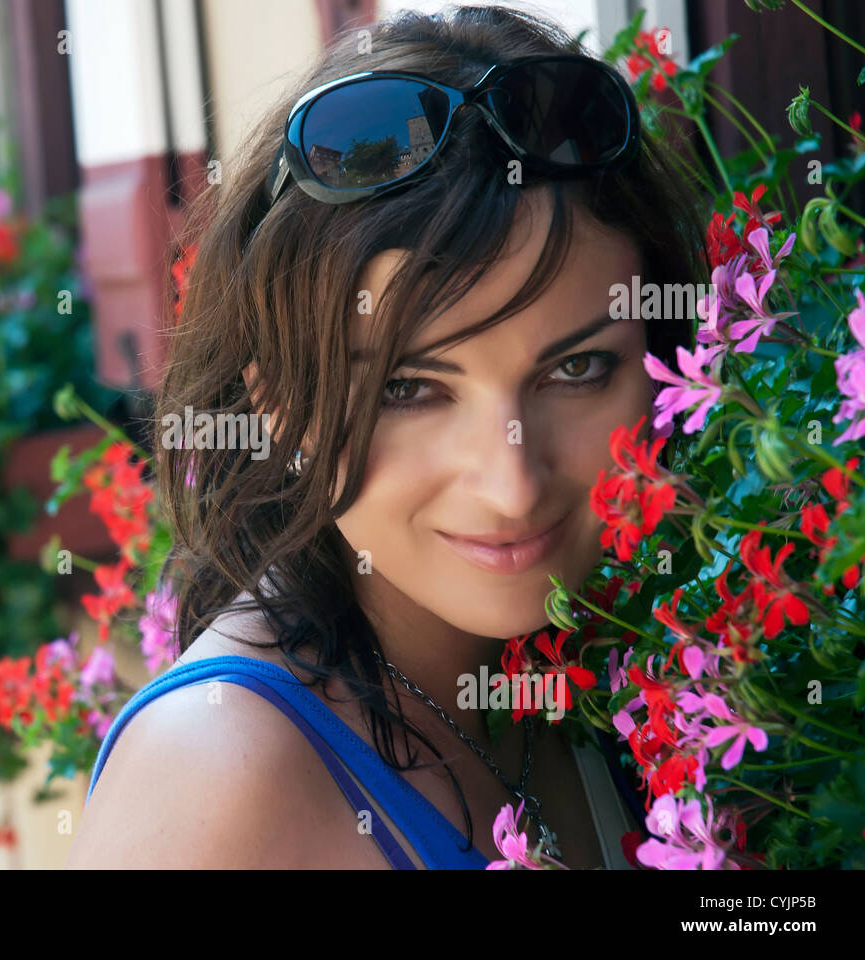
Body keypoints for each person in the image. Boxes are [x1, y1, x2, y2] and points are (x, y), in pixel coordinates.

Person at [65, 3, 706, 869]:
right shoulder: (216, 782)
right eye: (409, 389)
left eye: (579, 370)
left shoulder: (643, 655)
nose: (510, 484)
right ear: (280, 404)